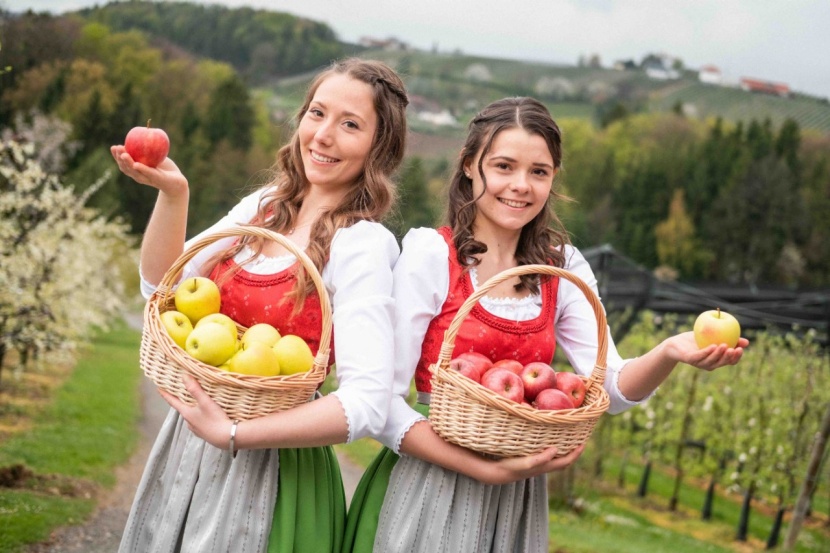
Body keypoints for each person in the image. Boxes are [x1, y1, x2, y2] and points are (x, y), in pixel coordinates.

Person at [342, 97, 748, 553]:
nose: (521, 186)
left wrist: (669, 352)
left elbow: (610, 388)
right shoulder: (431, 256)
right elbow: (381, 404)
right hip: (433, 482)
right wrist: (480, 468)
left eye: (539, 171)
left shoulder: (563, 271)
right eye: (504, 166)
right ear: (470, 166)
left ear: (553, 178)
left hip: (517, 499)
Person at [110, 58, 409, 553]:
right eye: (317, 113)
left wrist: (233, 433)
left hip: (272, 469)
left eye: (350, 124)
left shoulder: (364, 245)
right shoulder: (266, 206)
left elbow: (367, 404)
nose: (324, 135)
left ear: (380, 148)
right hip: (189, 447)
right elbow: (160, 286)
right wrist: (173, 193)